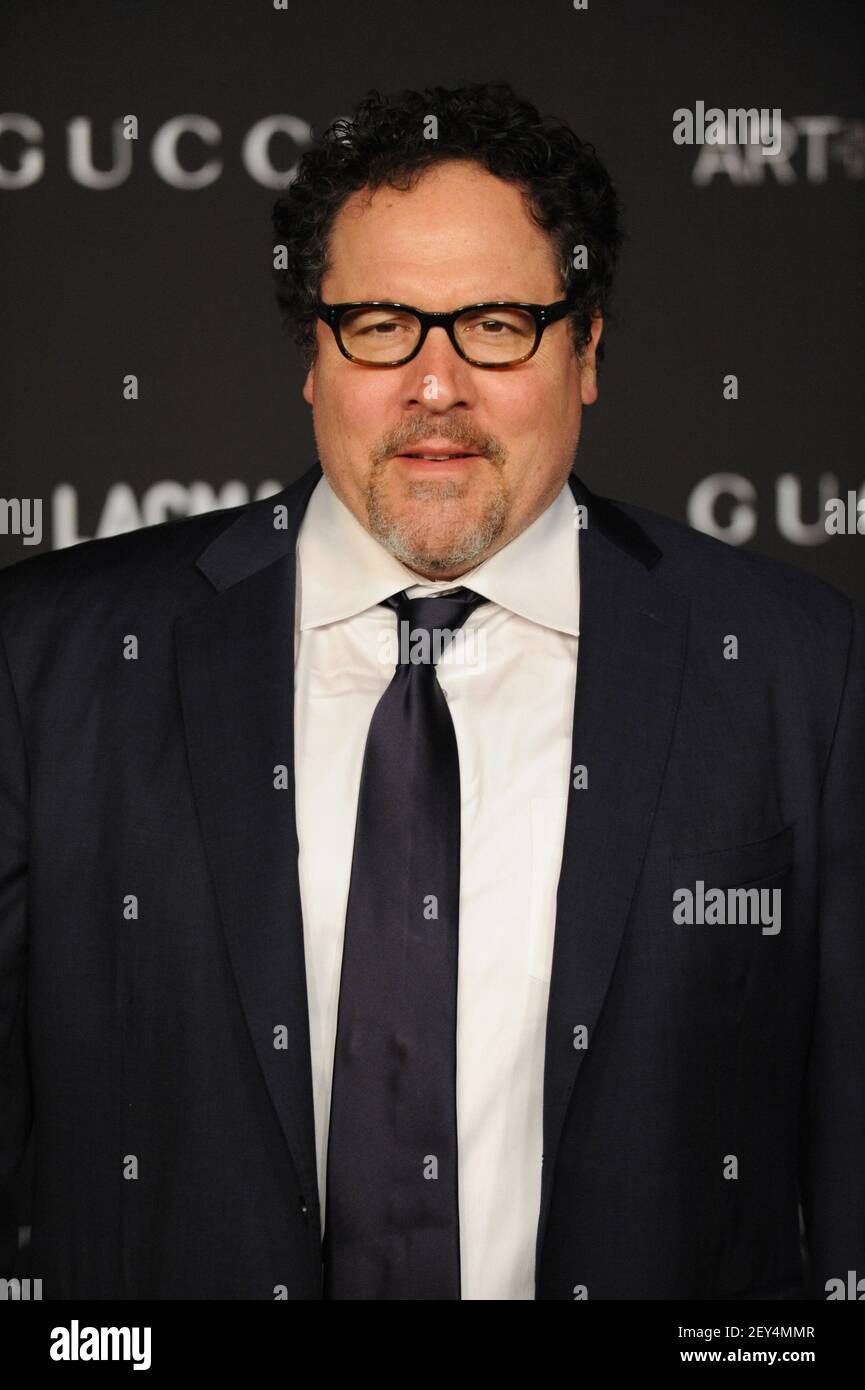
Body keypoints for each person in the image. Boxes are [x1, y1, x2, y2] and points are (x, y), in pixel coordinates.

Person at [0, 81, 862, 1301]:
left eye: (497, 324)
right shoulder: (52, 660)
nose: (436, 385)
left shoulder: (796, 668)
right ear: (314, 355)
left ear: (588, 348)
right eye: (381, 325)